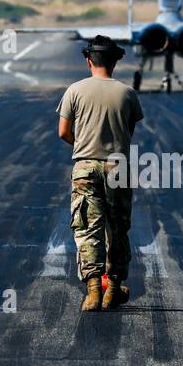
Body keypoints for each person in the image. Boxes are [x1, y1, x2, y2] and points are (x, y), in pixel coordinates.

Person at [56, 34, 145, 311]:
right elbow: (128, 132)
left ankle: (94, 291)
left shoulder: (74, 90)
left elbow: (63, 132)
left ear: (88, 60)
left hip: (85, 166)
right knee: (118, 228)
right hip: (117, 165)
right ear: (116, 61)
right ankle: (113, 289)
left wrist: (83, 146)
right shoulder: (127, 93)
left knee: (87, 227)